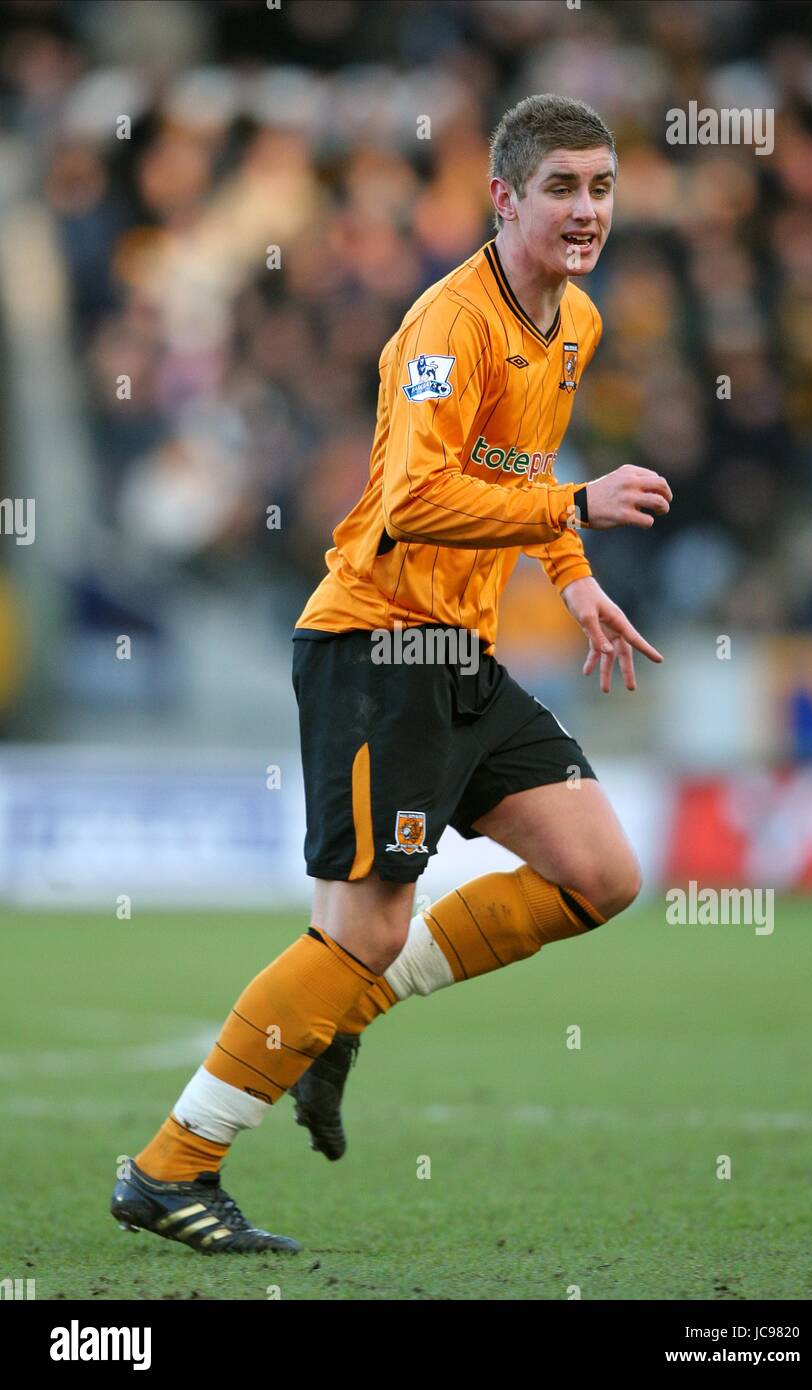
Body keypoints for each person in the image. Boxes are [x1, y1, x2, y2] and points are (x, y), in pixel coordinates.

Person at [111, 93, 672, 1255]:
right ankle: (171, 1168)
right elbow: (419, 496)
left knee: (599, 872)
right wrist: (570, 505)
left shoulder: (576, 324)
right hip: (378, 643)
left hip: (462, 652)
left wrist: (570, 575)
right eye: (561, 188)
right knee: (363, 926)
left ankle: (336, 1017)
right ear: (504, 198)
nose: (585, 211)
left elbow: (519, 463)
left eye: (601, 187)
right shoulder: (444, 326)